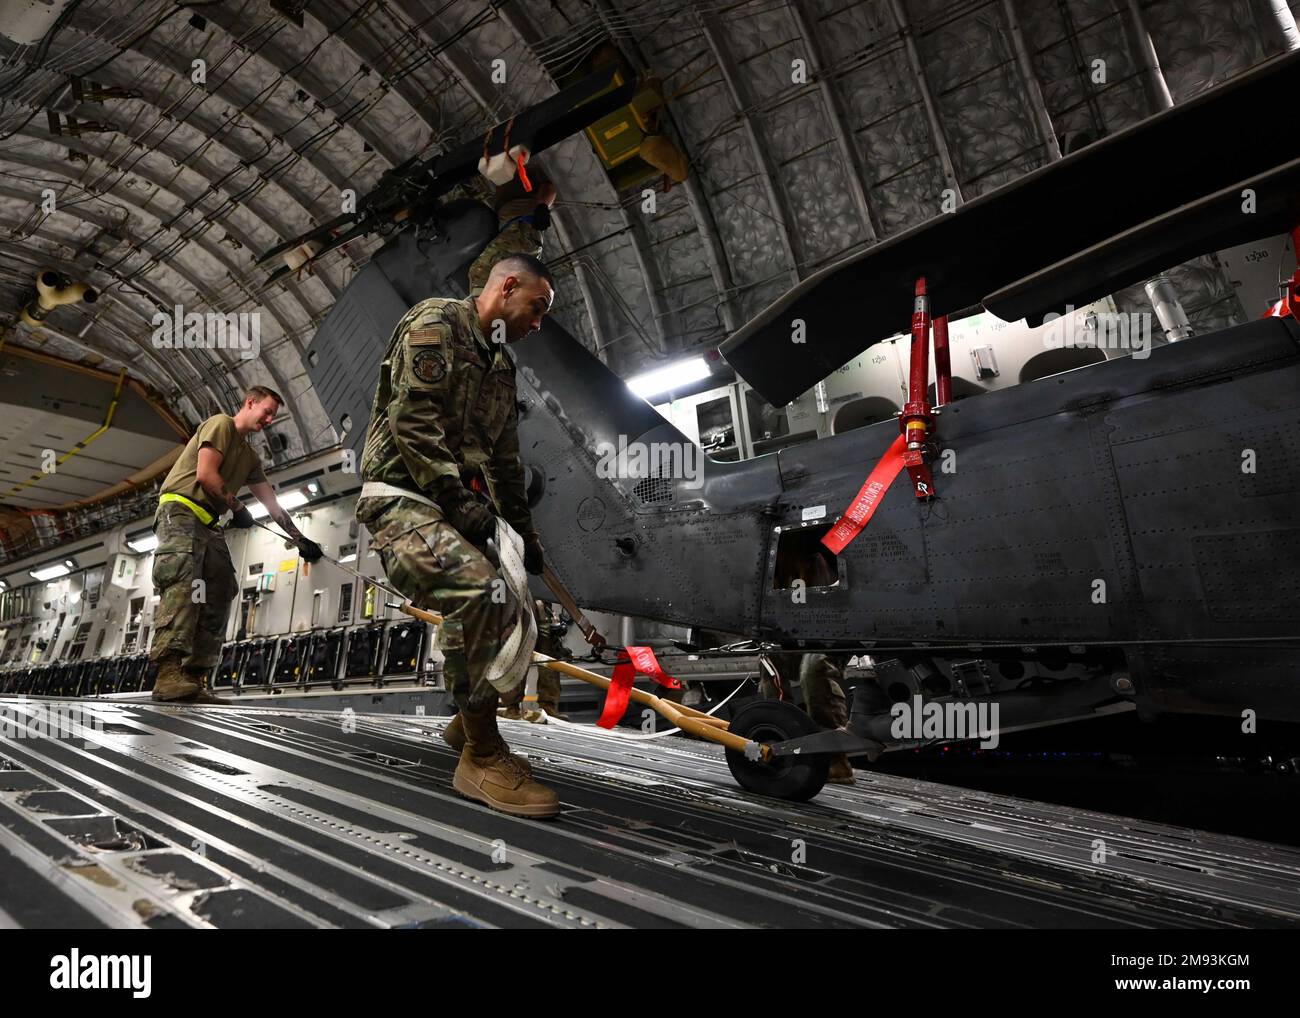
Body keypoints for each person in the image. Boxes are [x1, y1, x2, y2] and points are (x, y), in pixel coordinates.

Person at [356, 254, 559, 819]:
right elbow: (413, 421)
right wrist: (455, 501)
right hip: (401, 499)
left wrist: (525, 535)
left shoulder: (502, 366)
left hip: (452, 507)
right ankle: (481, 754)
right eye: (536, 307)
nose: (538, 322)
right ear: (507, 286)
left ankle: (468, 716)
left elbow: (504, 462)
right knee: (477, 591)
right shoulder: (436, 324)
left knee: (513, 602)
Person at [151, 386, 323, 704]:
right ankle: (168, 675)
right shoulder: (221, 425)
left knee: (221, 587)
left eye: (273, 415)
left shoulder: (249, 457)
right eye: (266, 411)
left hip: (207, 521)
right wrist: (236, 507)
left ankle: (193, 676)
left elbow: (272, 505)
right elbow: (205, 475)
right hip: (180, 510)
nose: (269, 419)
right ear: (249, 402)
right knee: (184, 583)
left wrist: (300, 539)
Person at [759, 651, 856, 784]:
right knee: (769, 659)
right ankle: (785, 749)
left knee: (814, 666)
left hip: (831, 643)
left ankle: (835, 760)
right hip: (802, 641)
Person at [466, 171, 557, 297]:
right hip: (519, 236)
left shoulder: (526, 200)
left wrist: (542, 206)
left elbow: (550, 190)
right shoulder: (515, 203)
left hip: (519, 228)